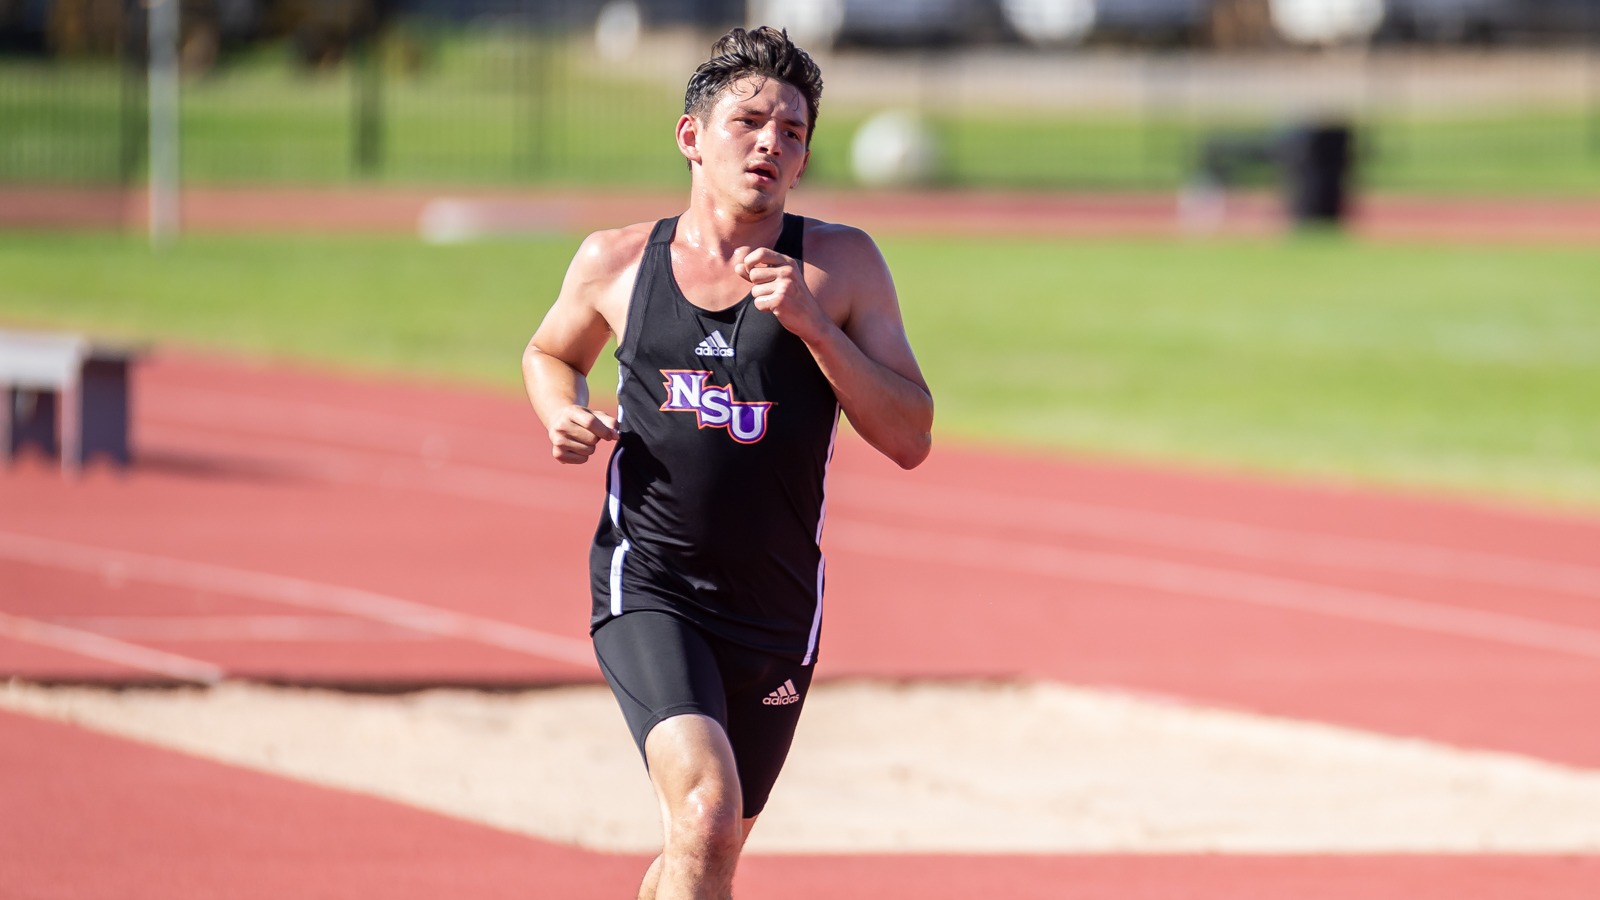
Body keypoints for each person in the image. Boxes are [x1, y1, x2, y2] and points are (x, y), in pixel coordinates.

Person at [521, 25, 933, 900]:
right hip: (652, 585)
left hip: (778, 607)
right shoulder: (618, 262)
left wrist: (816, 329)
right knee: (706, 811)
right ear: (691, 137)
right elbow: (550, 352)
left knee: (702, 850)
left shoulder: (842, 267)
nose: (770, 144)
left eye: (791, 133)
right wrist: (560, 410)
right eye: (748, 122)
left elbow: (909, 436)